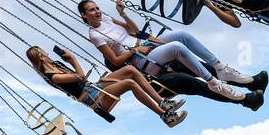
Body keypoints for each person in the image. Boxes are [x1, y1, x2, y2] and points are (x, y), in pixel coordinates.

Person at [78, 0, 266, 106]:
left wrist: (123, 14)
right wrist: (136, 49)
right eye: (91, 10)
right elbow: (115, 61)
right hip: (141, 59)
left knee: (181, 35)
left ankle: (221, 68)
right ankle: (213, 81)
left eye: (97, 8)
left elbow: (133, 31)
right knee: (177, 48)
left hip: (144, 44)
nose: (97, 12)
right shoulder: (95, 35)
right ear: (84, 15)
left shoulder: (107, 20)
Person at [25, 46, 186, 127]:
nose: (47, 52)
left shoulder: (57, 66)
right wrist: (73, 59)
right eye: (43, 52)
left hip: (93, 87)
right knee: (129, 83)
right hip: (93, 98)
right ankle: (165, 116)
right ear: (41, 56)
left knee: (129, 70)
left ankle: (162, 102)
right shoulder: (53, 77)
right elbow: (79, 76)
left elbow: (81, 79)